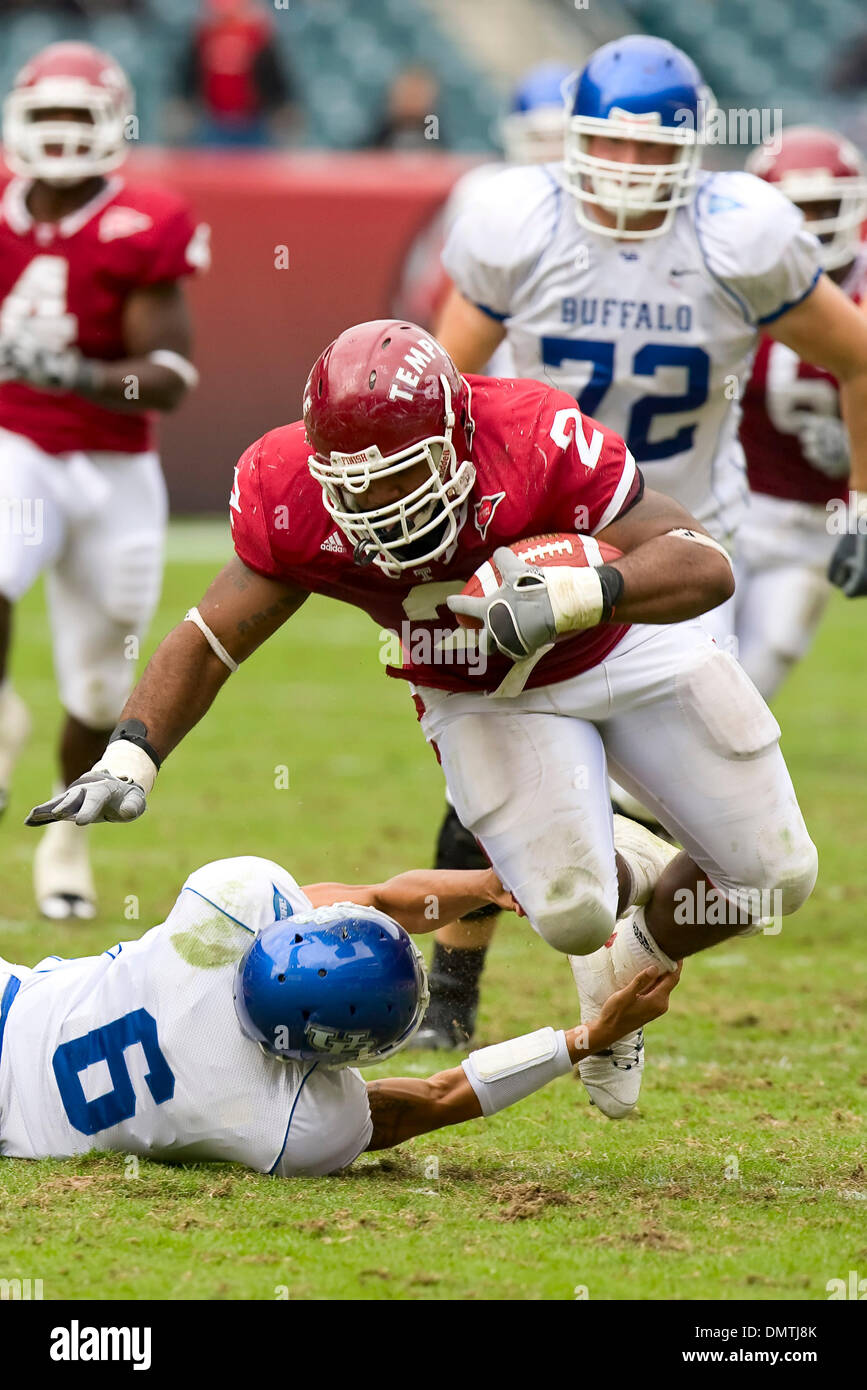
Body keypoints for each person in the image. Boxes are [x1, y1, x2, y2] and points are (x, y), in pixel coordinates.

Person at [26, 319, 818, 1123]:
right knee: (573, 914)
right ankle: (615, 871)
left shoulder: (531, 433)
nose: (376, 505)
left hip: (620, 647)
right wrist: (132, 755)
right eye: (352, 485)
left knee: (772, 880)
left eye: (402, 475)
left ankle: (638, 946)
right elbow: (212, 638)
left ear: (457, 433)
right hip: (478, 691)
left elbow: (701, 562)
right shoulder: (287, 489)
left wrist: (578, 598)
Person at [423, 33, 867, 1044]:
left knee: (750, 860)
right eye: (607, 147)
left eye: (650, 151)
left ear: (695, 154)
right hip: (534, 539)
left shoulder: (742, 235)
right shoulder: (516, 222)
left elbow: (856, 356)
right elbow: (443, 391)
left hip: (681, 560)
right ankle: (459, 991)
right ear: (571, 144)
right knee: (522, 822)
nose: (626, 171)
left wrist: (860, 499)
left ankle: (635, 952)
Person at [0, 854, 680, 1173]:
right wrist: (588, 1038)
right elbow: (433, 1099)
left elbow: (376, 900)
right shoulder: (289, 1126)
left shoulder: (229, 900)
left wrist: (481, 886)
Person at [0, 41, 209, 920]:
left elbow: (170, 373)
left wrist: (77, 374)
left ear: (111, 128)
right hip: (19, 444)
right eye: (42, 115)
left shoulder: (144, 222)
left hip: (116, 465)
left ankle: (65, 835)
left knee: (93, 687)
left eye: (73, 118)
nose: (56, 135)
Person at [736, 126, 867, 700]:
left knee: (776, 647)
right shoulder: (734, 281)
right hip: (732, 503)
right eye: (796, 208)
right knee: (690, 651)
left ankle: (637, 793)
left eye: (824, 206)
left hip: (819, 519)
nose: (811, 223)